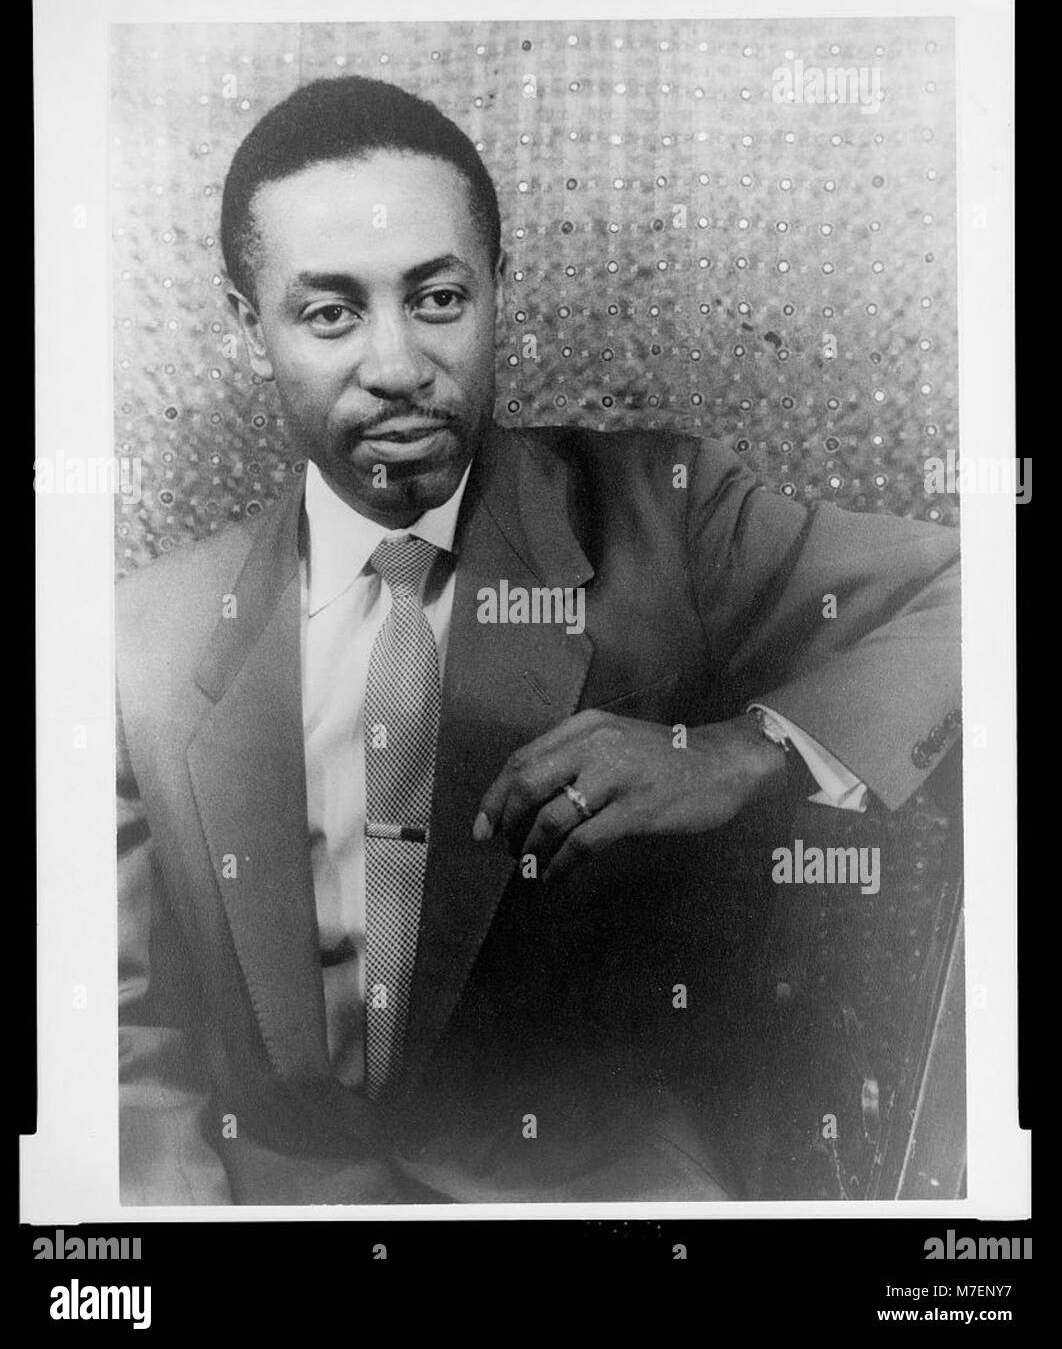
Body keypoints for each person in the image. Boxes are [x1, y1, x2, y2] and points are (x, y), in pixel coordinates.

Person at [116, 75, 961, 1205]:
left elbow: (981, 595)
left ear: (498, 289)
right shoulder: (140, 642)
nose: (397, 364)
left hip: (599, 1198)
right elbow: (122, 1043)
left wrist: (738, 748)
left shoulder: (671, 517)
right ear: (245, 322)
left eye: (437, 298)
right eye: (329, 313)